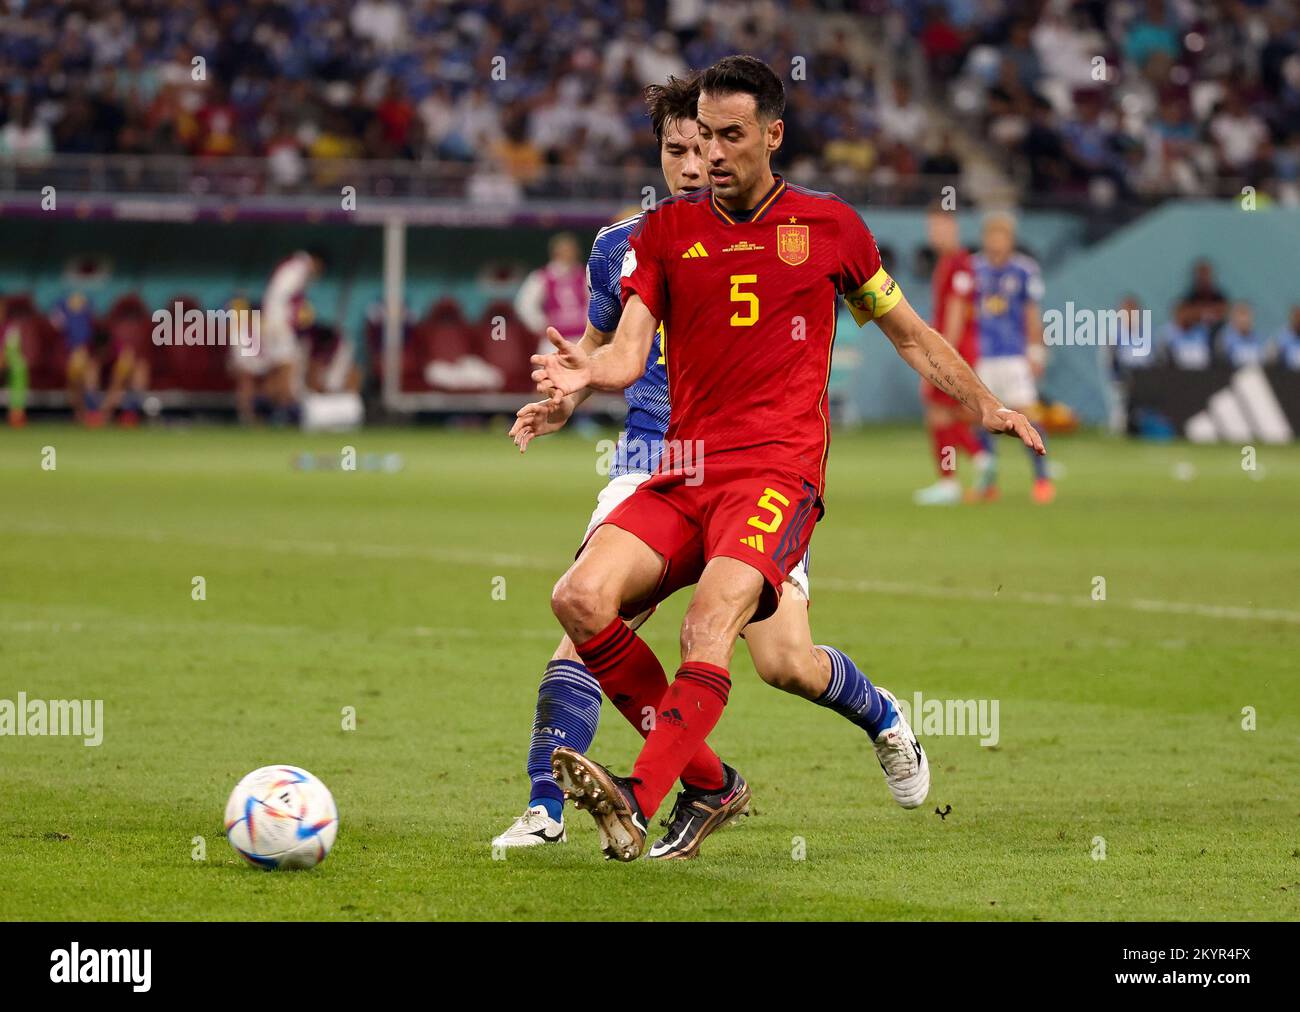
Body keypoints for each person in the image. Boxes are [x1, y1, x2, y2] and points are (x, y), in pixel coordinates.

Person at [532, 56, 1043, 862]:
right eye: (703, 136)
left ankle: (644, 789)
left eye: (731, 137)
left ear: (773, 135)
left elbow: (910, 333)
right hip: (683, 469)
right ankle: (707, 780)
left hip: (775, 474)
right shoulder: (665, 233)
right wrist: (583, 373)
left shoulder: (830, 227)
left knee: (730, 635)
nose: (713, 155)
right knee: (580, 598)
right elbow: (628, 354)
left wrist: (987, 404)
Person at [971, 212, 1054, 503]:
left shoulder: (1024, 270)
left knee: (1028, 417)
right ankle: (988, 482)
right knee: (981, 420)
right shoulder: (974, 268)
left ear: (1010, 240)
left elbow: (1032, 314)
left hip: (1014, 355)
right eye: (992, 235)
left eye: (1002, 235)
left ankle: (1043, 477)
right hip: (983, 355)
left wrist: (1036, 352)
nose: (996, 241)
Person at [913, 206, 990, 506]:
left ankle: (953, 480)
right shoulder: (948, 263)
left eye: (939, 227)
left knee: (937, 413)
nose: (934, 234)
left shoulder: (959, 264)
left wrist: (941, 357)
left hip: (953, 349)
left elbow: (956, 314)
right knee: (946, 414)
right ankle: (979, 460)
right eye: (931, 228)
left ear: (953, 228)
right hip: (956, 348)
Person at [233, 249, 327, 425]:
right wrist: (281, 324)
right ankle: (282, 414)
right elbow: (277, 296)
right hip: (276, 324)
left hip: (270, 322)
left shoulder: (293, 267)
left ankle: (268, 413)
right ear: (317, 262)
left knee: (275, 369)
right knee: (285, 366)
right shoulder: (298, 267)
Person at [513, 233, 588, 354]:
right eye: (565, 250)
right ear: (555, 252)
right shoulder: (541, 277)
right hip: (553, 342)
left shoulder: (586, 275)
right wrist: (541, 324)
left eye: (572, 250)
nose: (569, 253)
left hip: (582, 338)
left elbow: (597, 302)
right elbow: (524, 305)